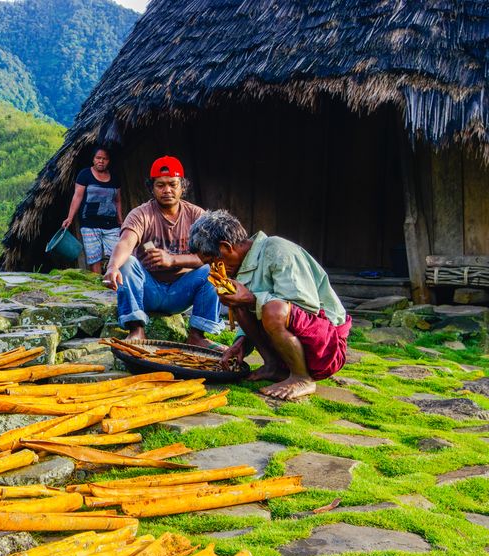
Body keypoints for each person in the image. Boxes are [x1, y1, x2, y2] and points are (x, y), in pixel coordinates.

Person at [188, 210, 352, 400]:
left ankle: (302, 378)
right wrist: (240, 343)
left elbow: (305, 308)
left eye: (213, 261)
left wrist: (250, 298)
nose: (214, 268)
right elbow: (252, 310)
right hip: (291, 348)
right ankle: (273, 366)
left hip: (325, 349)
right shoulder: (241, 266)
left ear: (226, 247)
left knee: (272, 309)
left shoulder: (278, 250)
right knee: (238, 301)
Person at [102, 156, 222, 347]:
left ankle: (197, 336)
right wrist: (113, 267)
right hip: (147, 290)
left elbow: (211, 255)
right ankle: (137, 329)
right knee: (127, 262)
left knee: (214, 270)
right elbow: (125, 243)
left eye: (173, 184)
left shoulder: (197, 216)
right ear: (152, 188)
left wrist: (173, 260)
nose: (167, 190)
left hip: (181, 292)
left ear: (182, 186)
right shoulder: (141, 214)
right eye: (160, 185)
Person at [62, 147, 124, 274]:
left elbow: (117, 200)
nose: (101, 161)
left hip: (110, 224)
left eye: (105, 159)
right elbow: (77, 196)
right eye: (98, 158)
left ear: (109, 161)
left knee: (117, 255)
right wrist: (70, 217)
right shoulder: (85, 175)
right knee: (94, 257)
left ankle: (115, 284)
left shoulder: (114, 178)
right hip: (89, 223)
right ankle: (98, 288)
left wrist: (120, 219)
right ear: (93, 159)